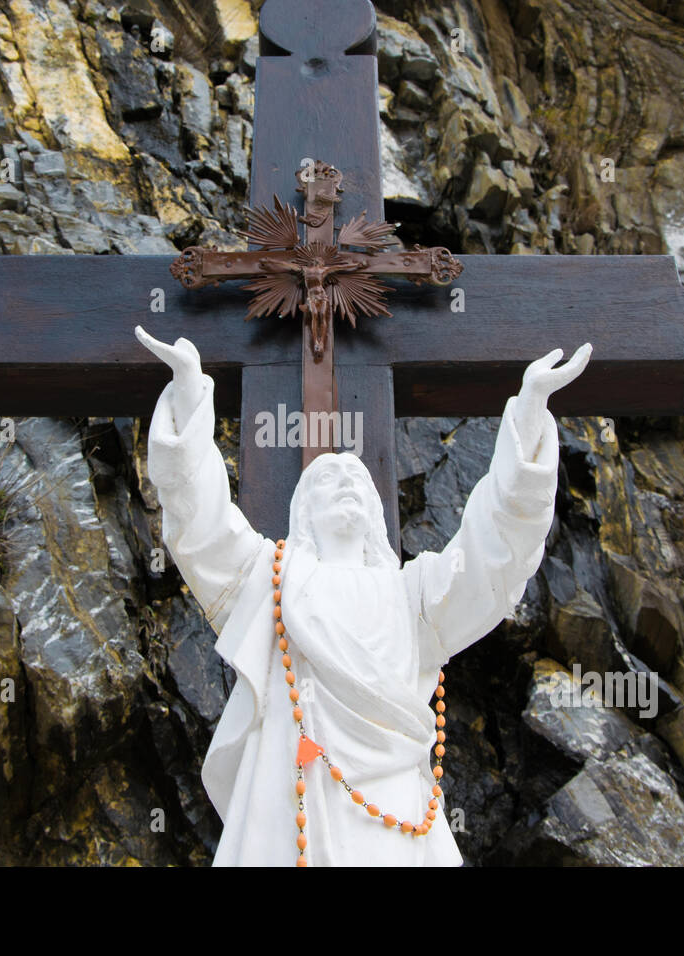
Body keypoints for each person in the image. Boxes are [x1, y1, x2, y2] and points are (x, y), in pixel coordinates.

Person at [136, 325, 590, 865]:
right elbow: (201, 530)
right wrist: (190, 399)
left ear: (377, 515)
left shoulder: (414, 595)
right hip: (293, 794)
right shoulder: (270, 580)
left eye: (357, 481)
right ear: (304, 514)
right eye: (327, 483)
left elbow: (495, 558)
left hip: (395, 805)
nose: (347, 485)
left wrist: (531, 417)